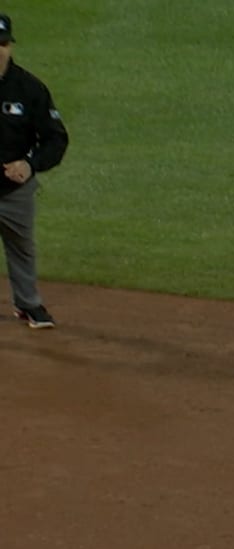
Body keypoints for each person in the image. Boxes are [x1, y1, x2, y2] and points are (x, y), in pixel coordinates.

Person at [0, 13, 68, 330]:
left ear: (10, 46)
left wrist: (30, 165)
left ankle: (27, 304)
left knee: (22, 248)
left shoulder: (29, 89)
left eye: (2, 44)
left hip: (14, 190)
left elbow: (56, 139)